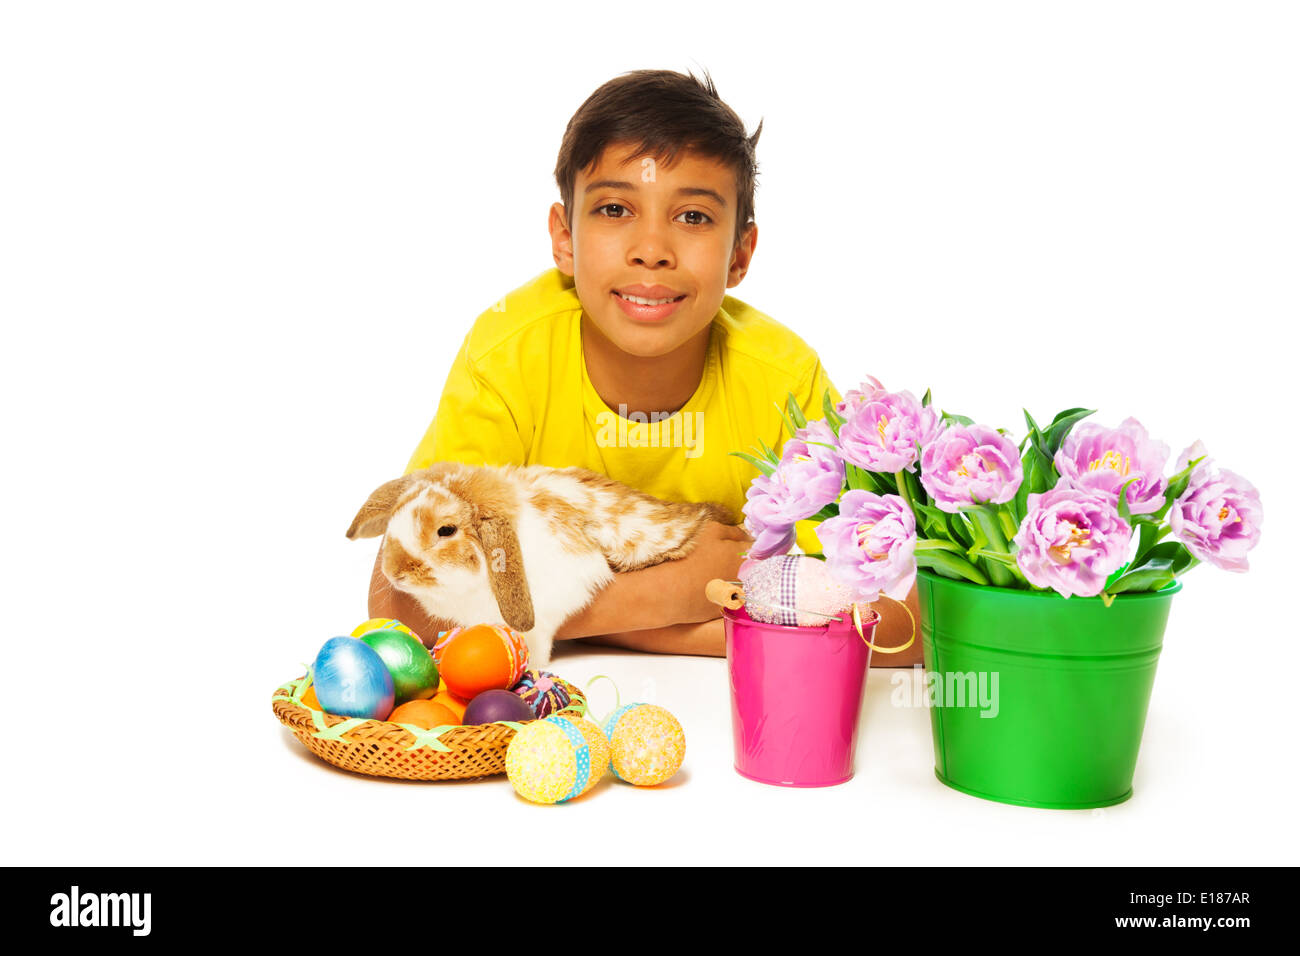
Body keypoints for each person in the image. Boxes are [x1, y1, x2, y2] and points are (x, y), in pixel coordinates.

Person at [368, 68, 920, 661]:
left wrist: (584, 620)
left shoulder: (780, 377)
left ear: (740, 254)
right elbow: (397, 604)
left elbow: (907, 623)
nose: (651, 249)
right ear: (564, 239)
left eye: (693, 217)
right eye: (613, 209)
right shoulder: (509, 354)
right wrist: (671, 594)